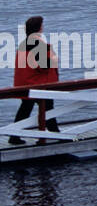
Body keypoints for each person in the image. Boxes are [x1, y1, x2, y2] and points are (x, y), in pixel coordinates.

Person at [9, 16, 60, 144]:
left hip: (24, 83)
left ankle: (14, 136)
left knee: (25, 109)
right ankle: (54, 135)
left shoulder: (24, 43)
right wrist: (54, 60)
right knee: (48, 110)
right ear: (39, 28)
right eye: (42, 25)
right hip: (38, 83)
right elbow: (43, 66)